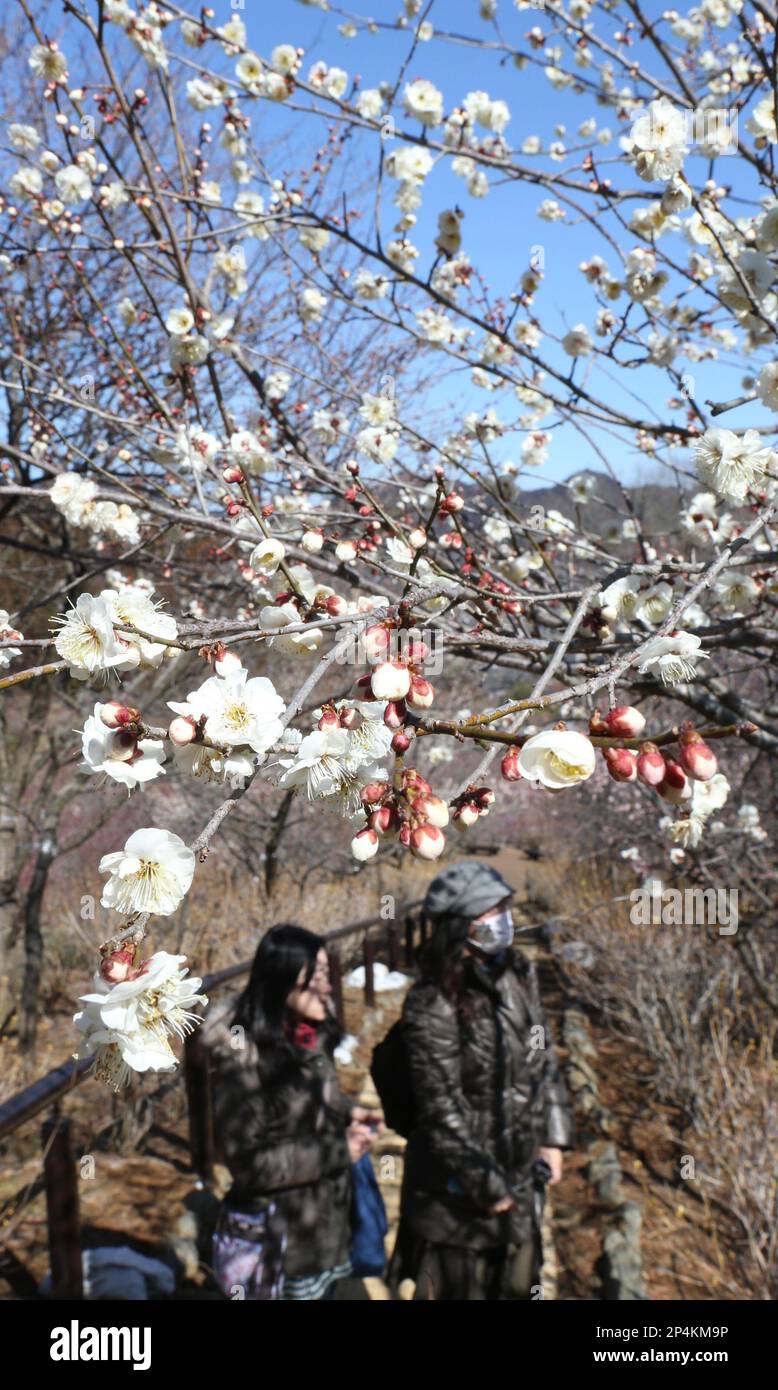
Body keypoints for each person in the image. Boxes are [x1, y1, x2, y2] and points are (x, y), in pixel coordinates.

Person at [395, 861, 573, 1301]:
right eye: (489, 913)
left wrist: (552, 1137)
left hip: (520, 1169)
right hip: (458, 1191)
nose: (503, 921)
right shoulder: (431, 1001)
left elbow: (542, 1054)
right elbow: (440, 1106)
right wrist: (485, 1183)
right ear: (460, 926)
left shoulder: (518, 971)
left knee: (517, 1283)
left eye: (504, 908)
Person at [203, 923, 381, 1301]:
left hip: (325, 1227)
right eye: (315, 975)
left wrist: (350, 1112)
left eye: (326, 972)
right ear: (282, 979)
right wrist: (337, 1150)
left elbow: (312, 1099)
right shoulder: (243, 1058)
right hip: (285, 1244)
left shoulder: (307, 1034)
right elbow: (250, 1163)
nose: (328, 984)